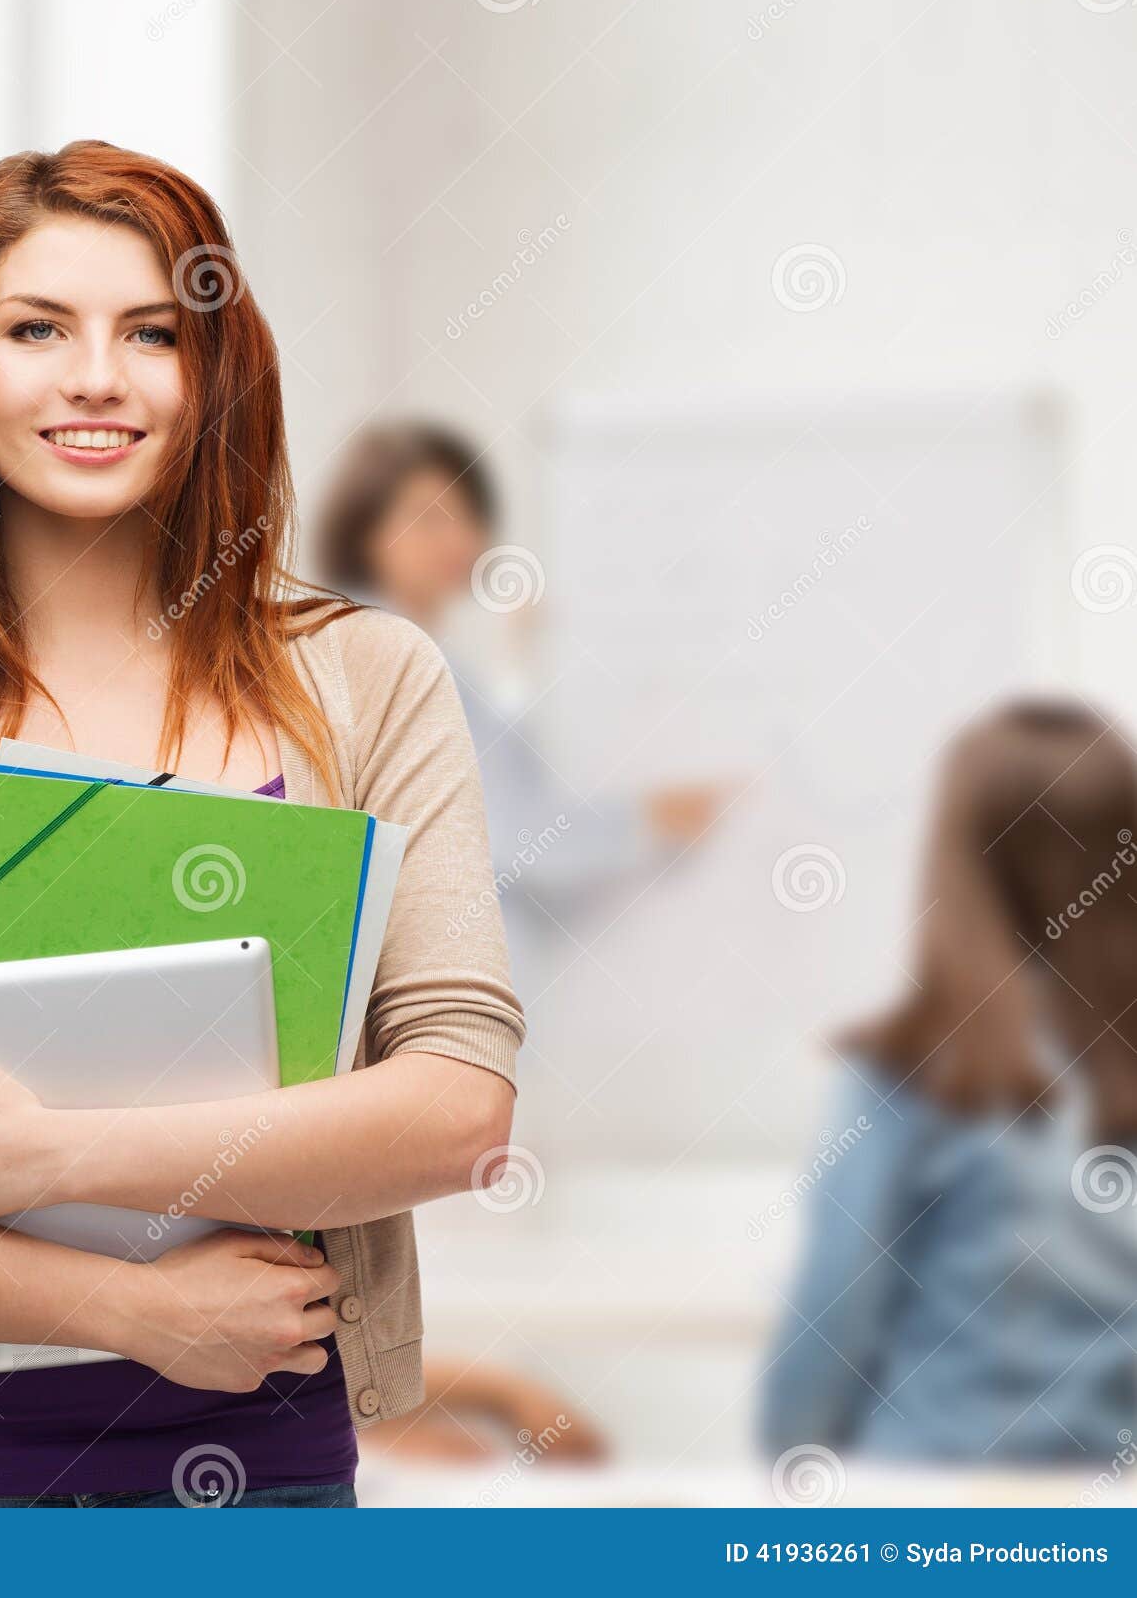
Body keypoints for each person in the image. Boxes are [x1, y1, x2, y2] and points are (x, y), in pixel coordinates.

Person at [0, 140, 525, 1508]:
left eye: (151, 333)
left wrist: (60, 1155)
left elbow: (458, 1109)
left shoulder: (370, 685)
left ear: (213, 373)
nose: (95, 378)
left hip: (265, 1476)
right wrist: (126, 1308)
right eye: (36, 329)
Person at [757, 700, 1137, 1464]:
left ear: (958, 859)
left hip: (929, 1509)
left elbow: (833, 1317)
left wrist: (785, 1470)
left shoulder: (916, 1073)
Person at [314, 420, 725, 926]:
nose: (459, 539)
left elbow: (488, 763)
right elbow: (515, 834)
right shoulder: (391, 656)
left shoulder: (385, 646)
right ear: (367, 533)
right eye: (428, 518)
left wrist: (518, 657)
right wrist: (650, 820)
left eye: (467, 515)